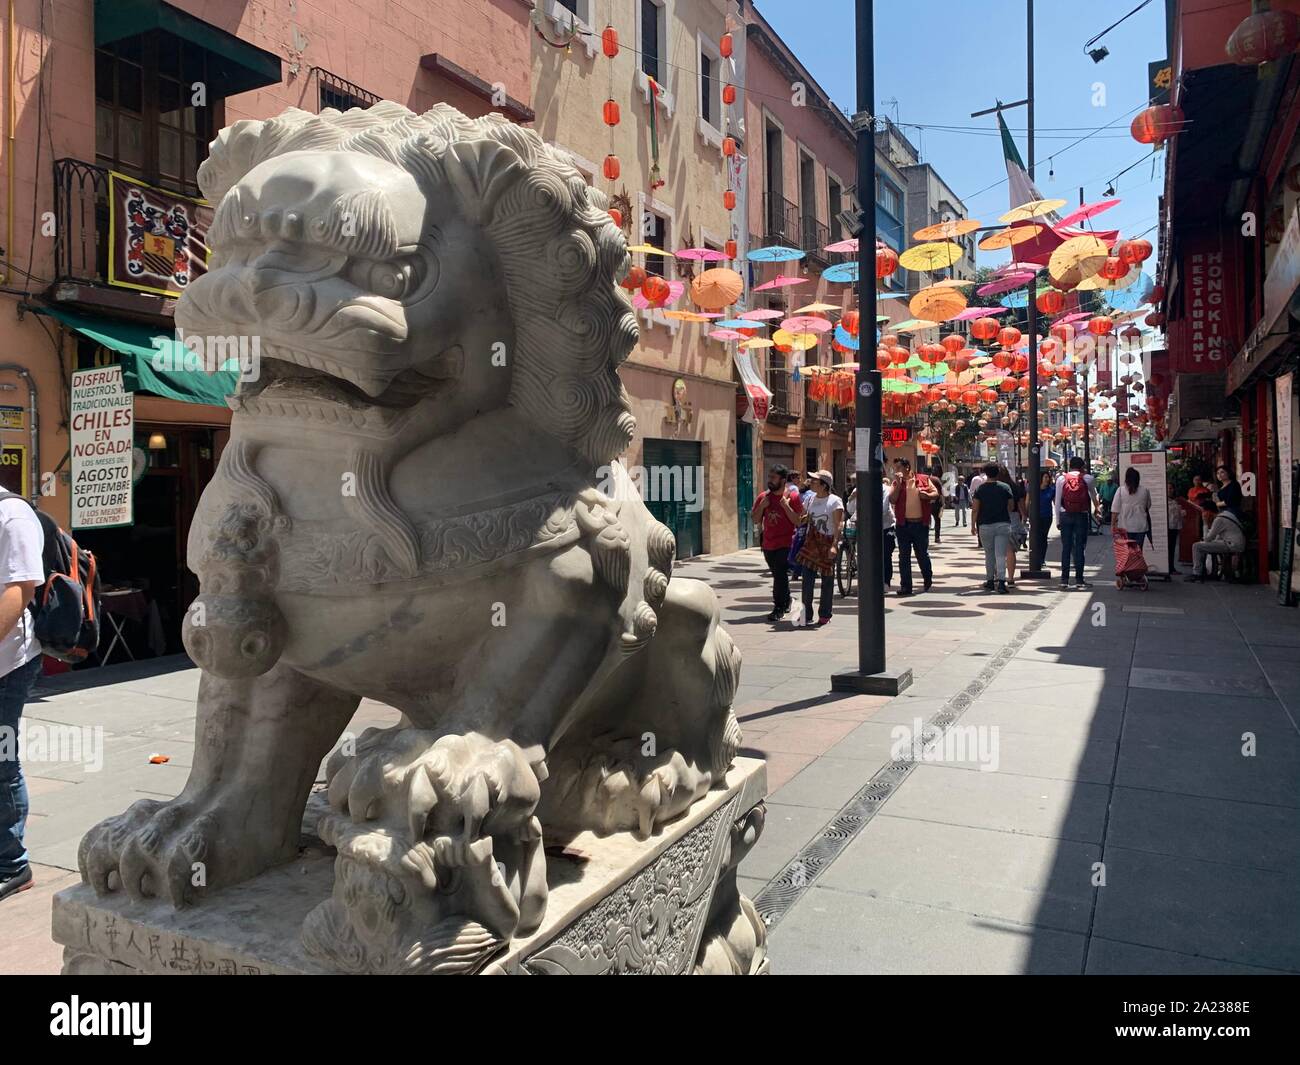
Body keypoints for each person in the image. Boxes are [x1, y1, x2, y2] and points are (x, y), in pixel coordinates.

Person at [0, 493, 45, 901]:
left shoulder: (11, 515)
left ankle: (13, 865)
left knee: (1, 762)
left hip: (6, 665)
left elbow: (20, 588)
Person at [752, 464, 803, 623]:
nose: (770, 480)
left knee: (780, 574)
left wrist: (785, 506)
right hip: (768, 544)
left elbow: (798, 521)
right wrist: (762, 506)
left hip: (786, 543)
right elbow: (755, 519)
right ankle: (787, 599)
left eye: (773, 478)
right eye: (769, 477)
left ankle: (779, 607)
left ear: (782, 479)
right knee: (778, 575)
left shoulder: (792, 497)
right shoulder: (763, 497)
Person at [794, 470, 845, 626]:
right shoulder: (809, 500)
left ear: (824, 485)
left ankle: (824, 614)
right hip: (811, 544)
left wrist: (834, 546)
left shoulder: (834, 501)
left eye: (815, 480)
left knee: (827, 581)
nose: (811, 482)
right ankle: (806, 613)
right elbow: (802, 519)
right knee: (807, 581)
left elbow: (838, 525)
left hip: (827, 543)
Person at [889, 458, 939, 595]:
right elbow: (892, 499)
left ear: (907, 467)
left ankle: (927, 578)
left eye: (898, 468)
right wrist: (898, 484)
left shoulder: (923, 479)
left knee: (922, 554)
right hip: (903, 525)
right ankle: (906, 586)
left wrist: (927, 495)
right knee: (903, 556)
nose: (896, 471)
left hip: (920, 524)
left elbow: (935, 493)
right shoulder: (896, 483)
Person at [1055, 456, 1099, 590]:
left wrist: (1057, 520)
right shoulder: (1088, 479)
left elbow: (1057, 501)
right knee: (1080, 547)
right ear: (1082, 467)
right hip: (1082, 514)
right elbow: (1093, 495)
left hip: (1065, 514)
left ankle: (1064, 580)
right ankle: (1079, 579)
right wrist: (1097, 509)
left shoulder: (1061, 479)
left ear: (1070, 466)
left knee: (1066, 548)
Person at [972, 462, 1014, 593]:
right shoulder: (1005, 487)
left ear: (986, 473)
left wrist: (973, 525)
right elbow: (1011, 506)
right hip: (1002, 524)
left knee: (989, 554)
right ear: (997, 473)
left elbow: (975, 509)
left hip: (985, 525)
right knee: (1000, 555)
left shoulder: (980, 489)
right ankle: (1001, 582)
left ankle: (990, 581)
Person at [1186, 499, 1246, 582]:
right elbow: (1215, 537)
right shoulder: (1226, 514)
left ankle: (1197, 574)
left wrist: (1205, 523)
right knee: (1203, 544)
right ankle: (1207, 570)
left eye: (1204, 512)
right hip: (1235, 542)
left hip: (1232, 545)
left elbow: (1207, 539)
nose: (1203, 514)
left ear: (1208, 512)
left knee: (1196, 546)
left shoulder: (1219, 520)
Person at [1112, 465, 1151, 548]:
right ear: (1138, 479)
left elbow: (1115, 510)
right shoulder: (1145, 490)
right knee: (1138, 553)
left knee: (1126, 553)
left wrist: (1112, 525)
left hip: (1125, 527)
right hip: (1141, 526)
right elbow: (1148, 506)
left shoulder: (1120, 490)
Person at [1000, 465, 1026, 587]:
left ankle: (997, 577)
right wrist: (1025, 517)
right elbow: (1021, 505)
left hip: (997, 518)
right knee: (1010, 551)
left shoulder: (995, 487)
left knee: (997, 550)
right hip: (1014, 518)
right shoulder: (1014, 487)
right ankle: (1010, 578)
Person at [1167, 488, 1186, 574]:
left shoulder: (1176, 501)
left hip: (1174, 527)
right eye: (1168, 488)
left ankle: (1171, 567)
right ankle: (1168, 567)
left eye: (1171, 488)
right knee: (1168, 548)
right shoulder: (1163, 500)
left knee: (1172, 548)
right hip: (1166, 527)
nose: (1169, 490)